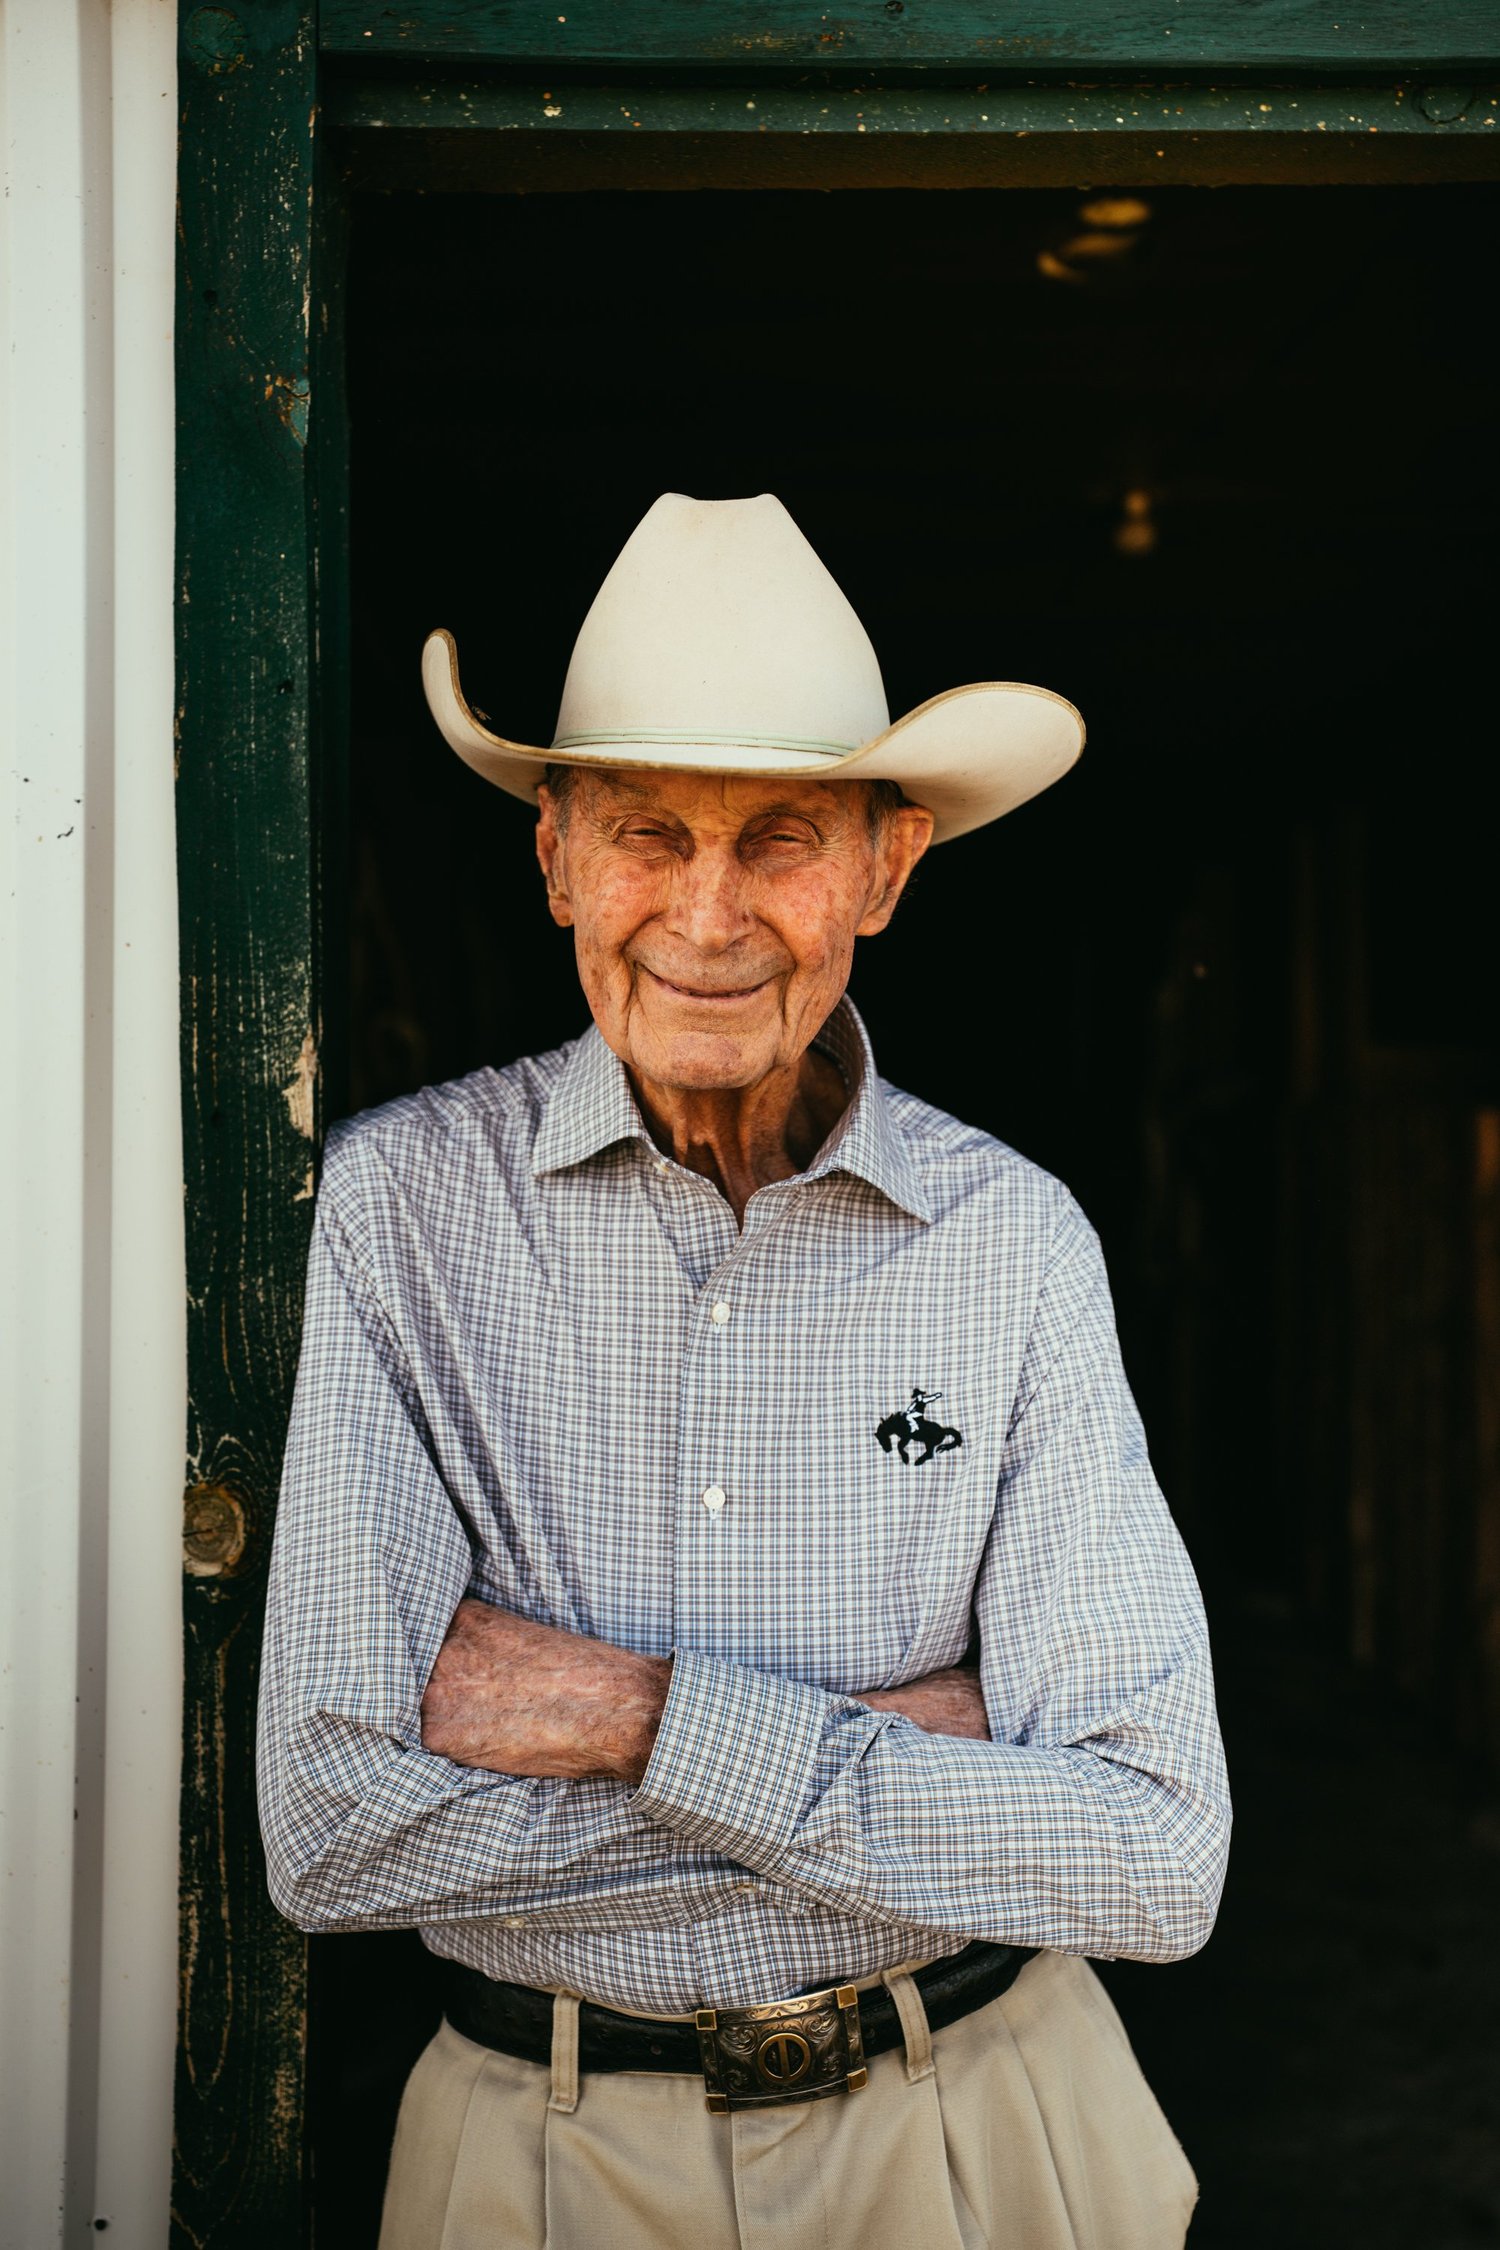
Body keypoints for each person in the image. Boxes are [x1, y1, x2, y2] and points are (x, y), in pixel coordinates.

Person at [258, 493, 1230, 2250]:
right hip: (540, 2163)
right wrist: (917, 1754)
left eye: (778, 838)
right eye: (645, 832)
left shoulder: (1015, 1243)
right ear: (555, 856)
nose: (706, 916)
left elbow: (1153, 1855)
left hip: (976, 2132)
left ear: (886, 864)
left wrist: (621, 1719)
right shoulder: (402, 1214)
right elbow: (330, 1826)